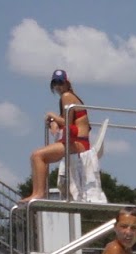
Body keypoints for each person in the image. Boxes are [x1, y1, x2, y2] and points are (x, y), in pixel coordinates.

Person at [26, 68, 91, 202]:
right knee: (37, 156)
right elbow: (66, 121)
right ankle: (37, 193)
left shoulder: (67, 96)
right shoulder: (68, 97)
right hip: (75, 141)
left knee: (37, 155)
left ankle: (39, 193)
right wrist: (54, 121)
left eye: (60, 82)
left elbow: (68, 122)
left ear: (67, 83)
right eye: (54, 83)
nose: (58, 86)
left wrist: (52, 115)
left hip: (79, 143)